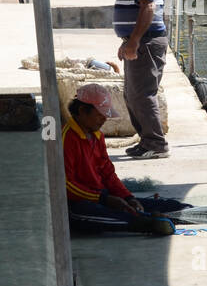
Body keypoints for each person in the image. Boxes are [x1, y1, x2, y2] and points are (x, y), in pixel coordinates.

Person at [63, 83, 187, 236]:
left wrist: (128, 198)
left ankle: (186, 211)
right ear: (82, 111)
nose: (104, 120)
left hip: (102, 196)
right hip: (79, 203)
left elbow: (108, 173)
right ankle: (145, 224)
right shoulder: (66, 138)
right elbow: (66, 185)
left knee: (165, 205)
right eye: (100, 115)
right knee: (87, 214)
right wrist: (104, 199)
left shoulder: (97, 136)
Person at [111, 0, 169, 159]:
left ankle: (156, 144)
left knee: (142, 94)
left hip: (146, 42)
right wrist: (127, 40)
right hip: (138, 40)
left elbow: (148, 6)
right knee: (132, 94)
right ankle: (147, 141)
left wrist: (134, 41)